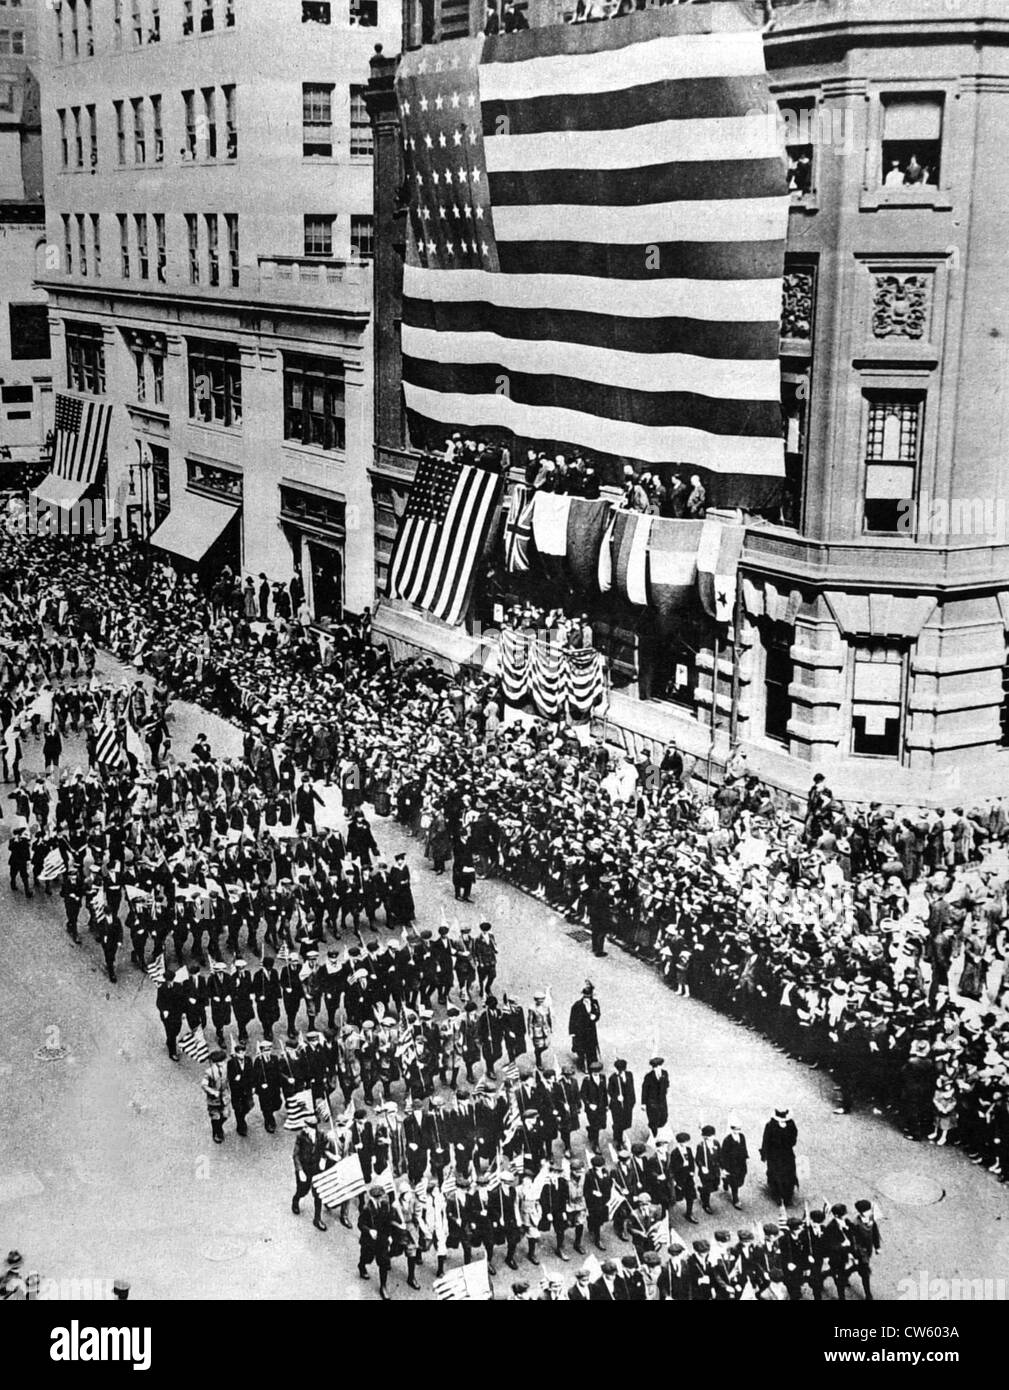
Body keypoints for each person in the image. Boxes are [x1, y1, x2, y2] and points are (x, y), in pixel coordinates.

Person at [291, 1116, 328, 1232]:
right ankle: (296, 1199)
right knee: (303, 1190)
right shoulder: (301, 1137)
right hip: (305, 1169)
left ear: (312, 1128)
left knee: (318, 1194)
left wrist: (323, 1159)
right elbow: (295, 1155)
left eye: (306, 1127)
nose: (304, 1128)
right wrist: (300, 1170)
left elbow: (325, 1148)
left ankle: (317, 1219)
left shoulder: (321, 1135)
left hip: (316, 1168)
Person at [760, 1107, 799, 1206]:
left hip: (787, 1153)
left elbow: (794, 1137)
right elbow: (766, 1140)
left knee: (789, 1174)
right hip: (774, 1155)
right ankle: (777, 1195)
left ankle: (788, 1196)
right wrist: (764, 1154)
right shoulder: (770, 1125)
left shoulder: (790, 1124)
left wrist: (789, 1143)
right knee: (776, 1174)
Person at [568, 982, 600, 1071]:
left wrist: (595, 1016)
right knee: (582, 1049)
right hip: (581, 1031)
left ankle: (593, 1064)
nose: (587, 996)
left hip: (591, 1030)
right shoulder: (577, 1005)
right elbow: (572, 1019)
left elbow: (598, 1012)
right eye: (585, 995)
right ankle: (583, 1064)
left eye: (589, 995)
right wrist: (572, 1032)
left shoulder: (594, 1002)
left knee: (592, 1046)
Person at [201, 1049, 231, 1144]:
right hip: (214, 1100)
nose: (223, 1062)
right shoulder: (209, 1072)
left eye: (224, 1060)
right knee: (215, 1117)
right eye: (221, 1061)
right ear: (216, 1062)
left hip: (225, 1097)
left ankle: (219, 1126)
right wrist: (213, 1091)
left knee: (226, 1115)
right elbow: (204, 1085)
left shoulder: (227, 1068)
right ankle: (216, 1132)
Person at [607, 1059, 635, 1150]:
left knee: (626, 1122)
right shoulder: (613, 1078)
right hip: (617, 1106)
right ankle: (618, 1141)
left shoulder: (629, 1075)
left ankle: (618, 1133)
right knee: (618, 1123)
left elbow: (631, 1088)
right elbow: (609, 1091)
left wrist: (632, 1101)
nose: (621, 1071)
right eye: (620, 1069)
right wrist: (616, 1097)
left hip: (627, 1104)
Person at [720, 1117, 748, 1209]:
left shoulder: (742, 1136)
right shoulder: (727, 1140)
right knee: (734, 1183)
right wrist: (724, 1168)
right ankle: (735, 1199)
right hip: (731, 1165)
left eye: (739, 1129)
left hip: (741, 1163)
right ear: (731, 1129)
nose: (737, 1131)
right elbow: (723, 1154)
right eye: (735, 1129)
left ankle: (726, 1180)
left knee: (741, 1179)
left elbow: (744, 1147)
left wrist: (746, 1156)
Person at [641, 1056, 669, 1137]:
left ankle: (659, 1132)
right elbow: (644, 1090)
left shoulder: (665, 1073)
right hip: (652, 1102)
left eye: (658, 1066)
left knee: (663, 1117)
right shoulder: (648, 1076)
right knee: (653, 1119)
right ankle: (654, 1135)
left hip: (662, 1101)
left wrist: (665, 1091)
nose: (657, 1068)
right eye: (655, 1067)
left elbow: (667, 1083)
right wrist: (643, 1103)